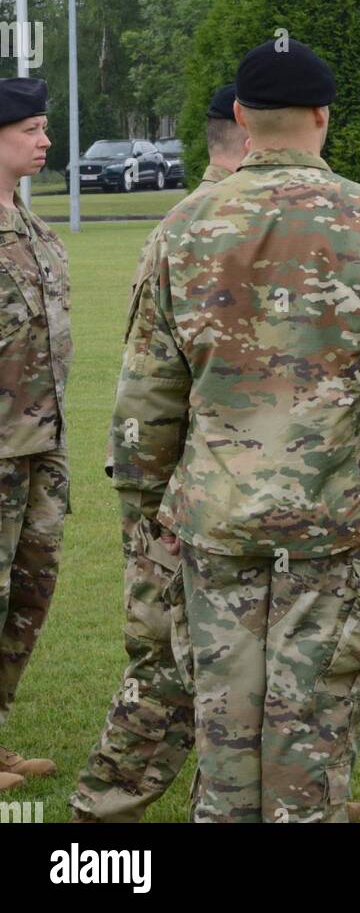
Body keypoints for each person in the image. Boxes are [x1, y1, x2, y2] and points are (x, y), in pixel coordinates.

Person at [110, 39, 360, 823]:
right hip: (334, 528)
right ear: (323, 118)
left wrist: (146, 511)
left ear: (240, 116)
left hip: (215, 525)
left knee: (225, 746)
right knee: (311, 745)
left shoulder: (183, 226)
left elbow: (146, 397)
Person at [69, 84, 247, 824]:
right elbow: (148, 383)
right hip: (177, 486)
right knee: (168, 659)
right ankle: (101, 817)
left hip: (212, 485)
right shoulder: (192, 226)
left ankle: (253, 800)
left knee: (236, 657)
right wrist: (149, 503)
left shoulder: (235, 220)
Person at [0, 77, 73, 792]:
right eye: (31, 130)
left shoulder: (32, 227)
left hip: (40, 448)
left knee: (29, 594)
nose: (45, 141)